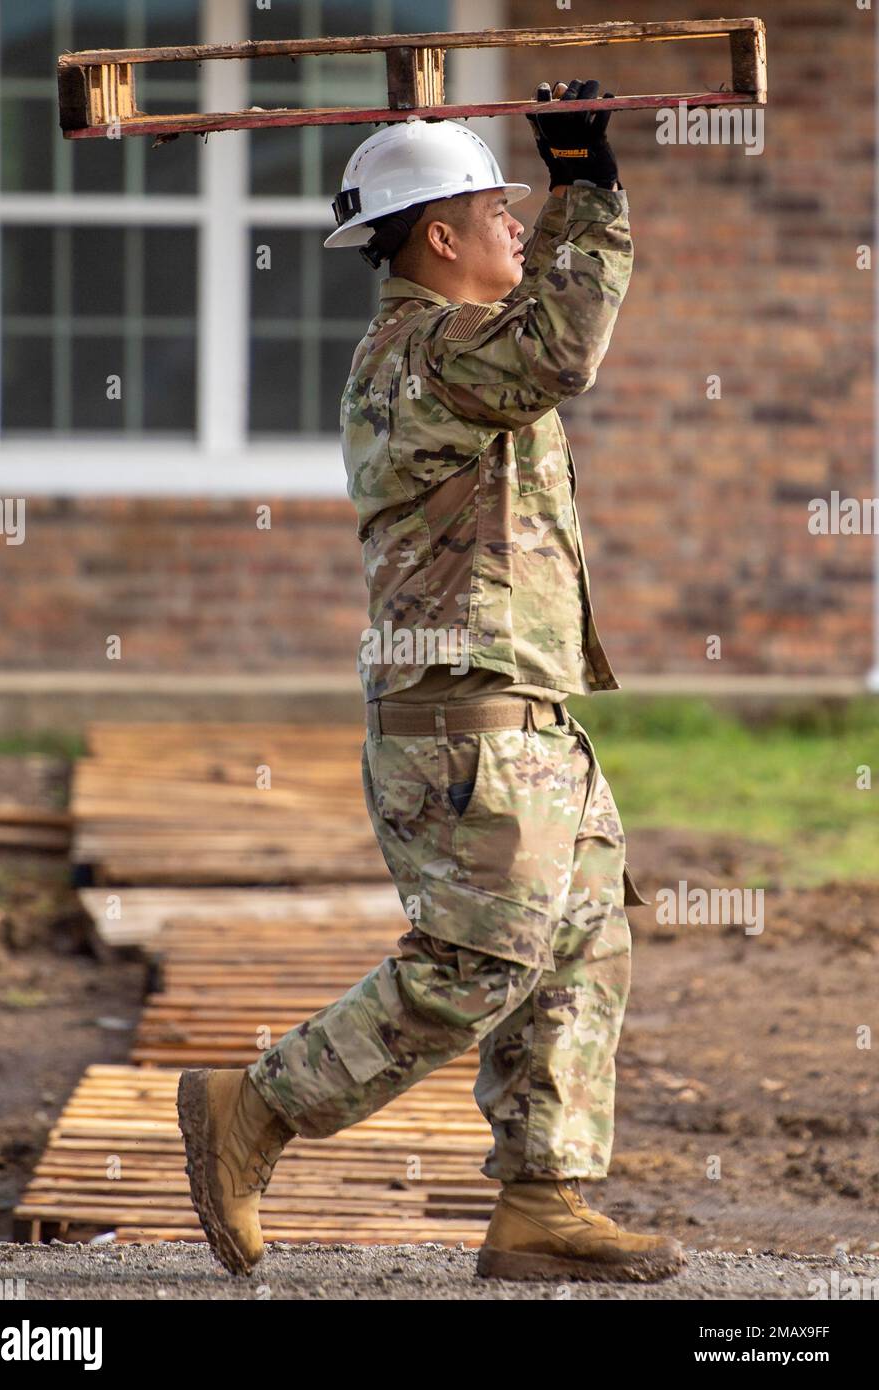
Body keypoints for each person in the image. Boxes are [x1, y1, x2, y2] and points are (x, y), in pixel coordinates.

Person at [177, 79, 686, 1284]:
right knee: (476, 964)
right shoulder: (418, 357)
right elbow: (564, 344)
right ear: (438, 238)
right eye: (496, 207)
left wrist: (572, 189)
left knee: (580, 946)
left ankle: (539, 1202)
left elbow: (543, 336)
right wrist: (590, 187)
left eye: (525, 206)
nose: (518, 223)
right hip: (463, 726)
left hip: (531, 718)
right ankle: (257, 1105)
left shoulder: (469, 348)